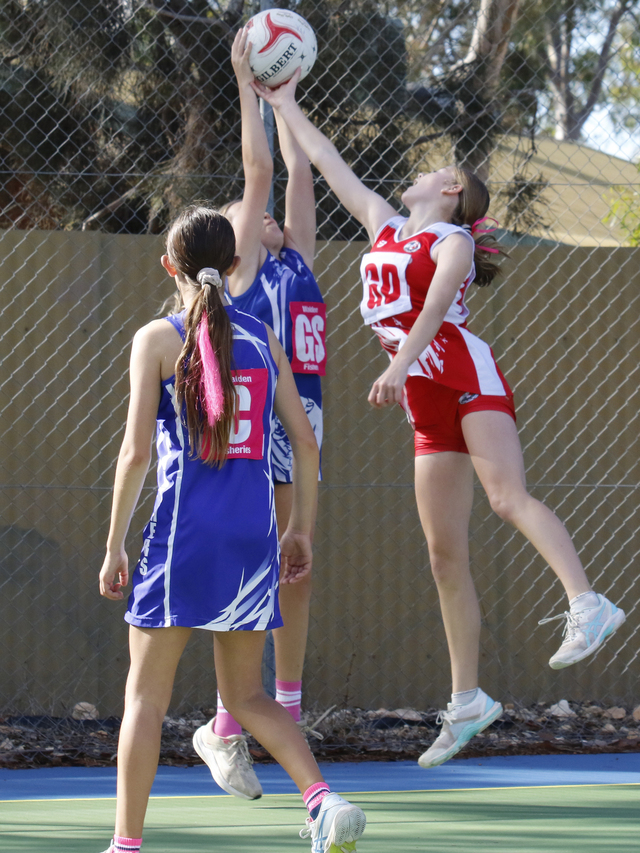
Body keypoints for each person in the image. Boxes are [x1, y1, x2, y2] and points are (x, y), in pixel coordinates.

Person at [252, 71, 627, 769]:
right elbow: (331, 162)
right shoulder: (386, 227)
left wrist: (397, 365)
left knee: (506, 497)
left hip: (461, 377)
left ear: (452, 191)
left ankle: (589, 600)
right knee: (442, 553)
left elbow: (430, 315)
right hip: (424, 398)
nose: (421, 172)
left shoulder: (448, 242)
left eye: (436, 169)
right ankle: (467, 701)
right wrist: (284, 104)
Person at [97, 205, 365, 853]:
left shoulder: (158, 339)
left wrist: (113, 543)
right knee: (247, 694)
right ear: (236, 264)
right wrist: (299, 527)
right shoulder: (262, 341)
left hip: (182, 538)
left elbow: (135, 453)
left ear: (169, 265)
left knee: (146, 701)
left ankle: (126, 844)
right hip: (251, 539)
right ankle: (323, 801)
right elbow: (304, 441)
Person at [201, 28, 327, 799]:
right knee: (269, 572)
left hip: (304, 428)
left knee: (298, 573)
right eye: (246, 215)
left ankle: (265, 711)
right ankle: (233, 723)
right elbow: (258, 172)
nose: (265, 213)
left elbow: (295, 172)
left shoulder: (298, 258)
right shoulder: (243, 270)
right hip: (259, 432)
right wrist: (248, 89)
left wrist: (287, 102)